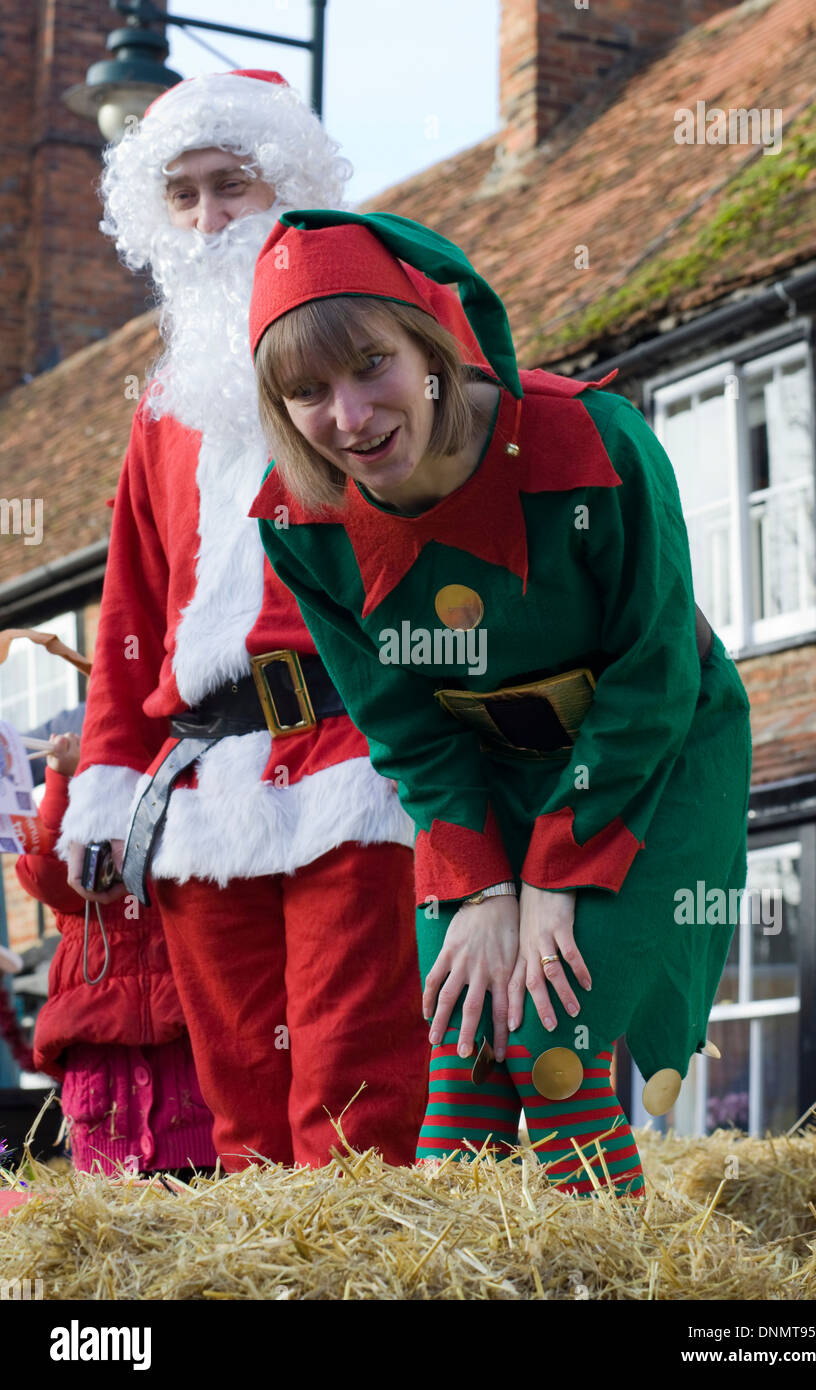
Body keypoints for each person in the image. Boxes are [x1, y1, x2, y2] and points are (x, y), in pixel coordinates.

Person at [248, 210, 753, 1198]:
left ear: (428, 348)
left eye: (368, 365)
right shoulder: (296, 520)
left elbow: (653, 676)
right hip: (484, 775)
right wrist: (481, 887)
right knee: (467, 1043)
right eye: (306, 391)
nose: (347, 415)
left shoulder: (593, 443)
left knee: (548, 1046)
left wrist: (556, 875)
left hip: (648, 752)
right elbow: (401, 723)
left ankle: (607, 1276)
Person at [57, 72, 467, 1172]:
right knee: (240, 1114)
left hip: (353, 751)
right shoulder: (163, 409)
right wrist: (105, 779)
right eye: (181, 196)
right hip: (201, 783)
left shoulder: (386, 338)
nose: (207, 222)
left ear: (287, 183)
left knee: (352, 1100)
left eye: (230, 186)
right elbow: (130, 613)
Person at [19, 733, 217, 1178]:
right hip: (100, 1055)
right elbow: (43, 874)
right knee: (112, 1221)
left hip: (181, 1036)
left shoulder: (180, 772)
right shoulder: (80, 798)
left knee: (202, 1188)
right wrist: (63, 780)